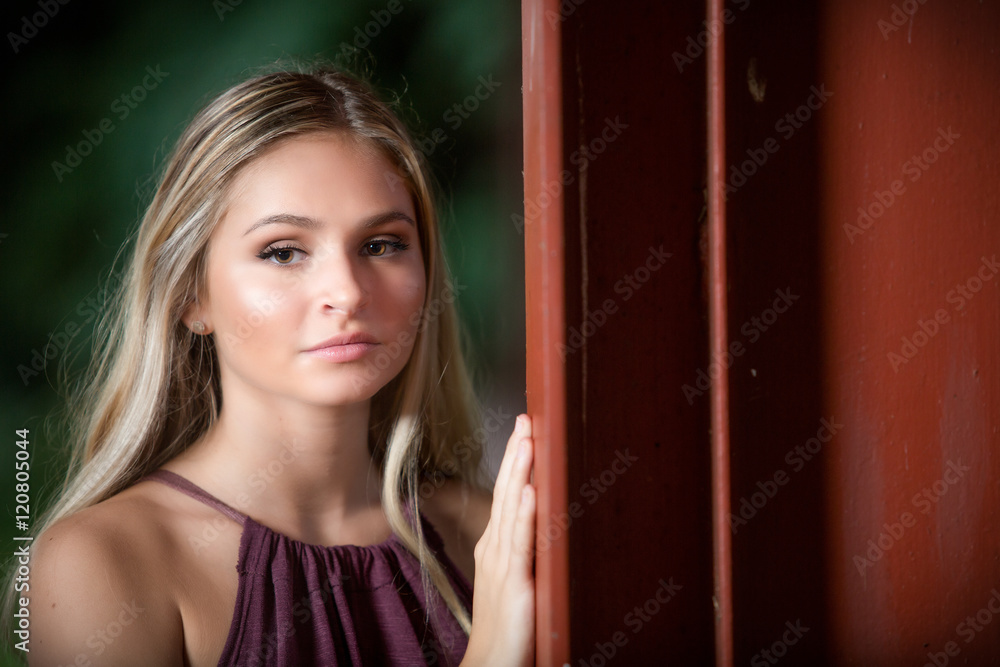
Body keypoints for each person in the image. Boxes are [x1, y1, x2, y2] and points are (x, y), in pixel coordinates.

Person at [22, 67, 536, 666]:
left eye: (381, 244)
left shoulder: (491, 532)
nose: (347, 292)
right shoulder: (101, 564)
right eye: (284, 251)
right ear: (193, 296)